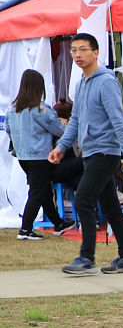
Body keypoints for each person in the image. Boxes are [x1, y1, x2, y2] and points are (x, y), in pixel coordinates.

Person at [50, 33, 123, 276]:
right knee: (110, 206)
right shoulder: (81, 83)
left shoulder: (107, 82)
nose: (77, 55)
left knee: (83, 200)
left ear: (96, 52)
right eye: (73, 51)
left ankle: (86, 258)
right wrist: (61, 147)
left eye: (82, 49)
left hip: (106, 153)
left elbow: (118, 120)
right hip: (90, 153)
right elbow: (76, 121)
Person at [6, 69, 72, 240]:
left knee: (42, 190)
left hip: (23, 157)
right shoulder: (40, 110)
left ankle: (58, 223)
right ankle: (26, 229)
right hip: (40, 157)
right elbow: (59, 130)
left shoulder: (12, 109)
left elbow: (8, 130)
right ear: (39, 88)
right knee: (37, 192)